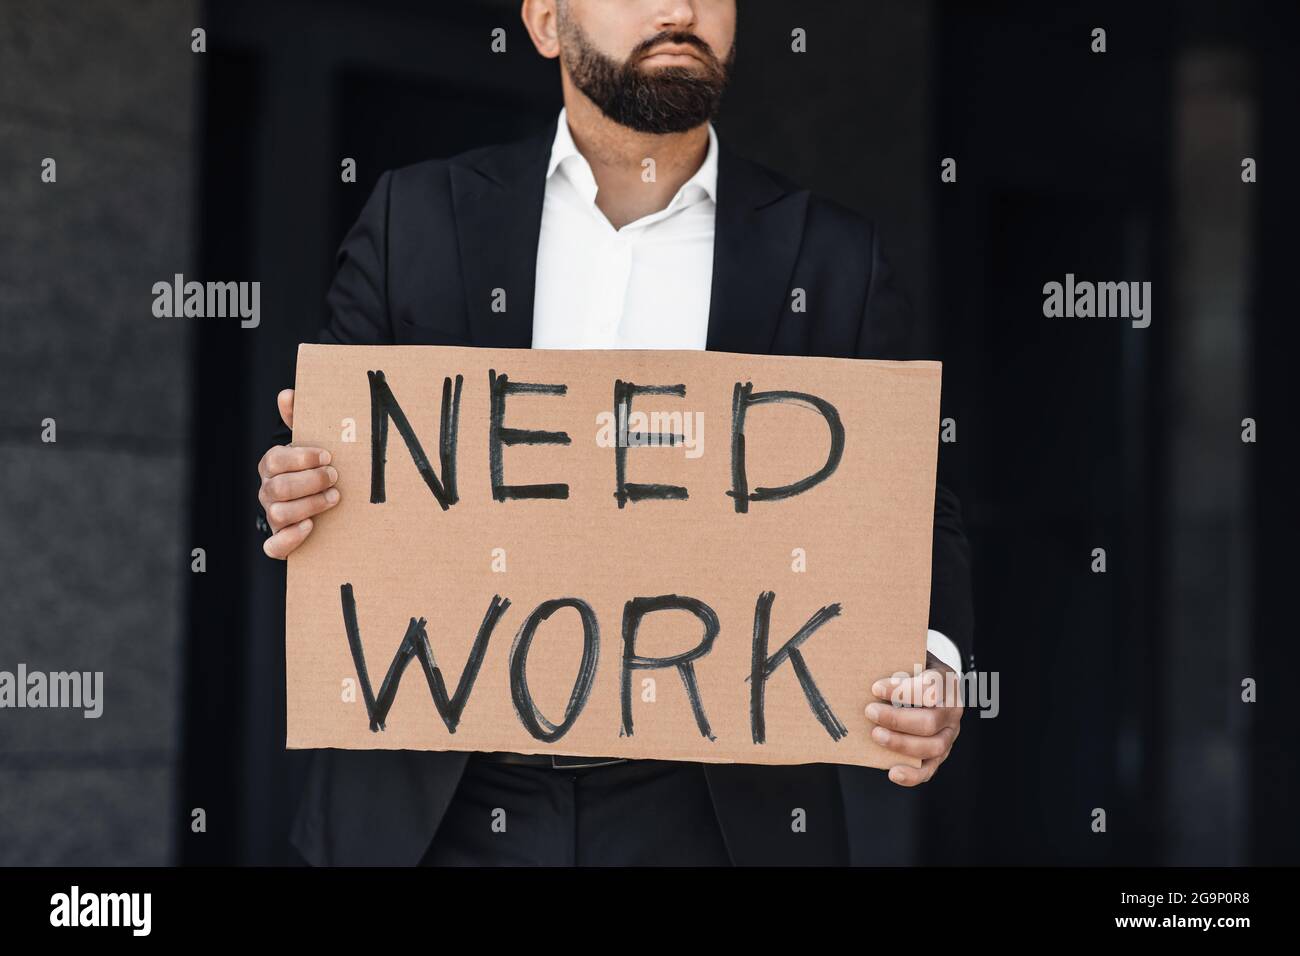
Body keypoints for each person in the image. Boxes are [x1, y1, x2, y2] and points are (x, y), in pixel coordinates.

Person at [256, 0, 972, 866]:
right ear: (547, 21)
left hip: (711, 813)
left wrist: (931, 663)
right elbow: (324, 471)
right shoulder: (417, 218)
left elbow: (909, 504)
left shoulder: (830, 258)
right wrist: (294, 492)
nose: (680, 11)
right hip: (435, 805)